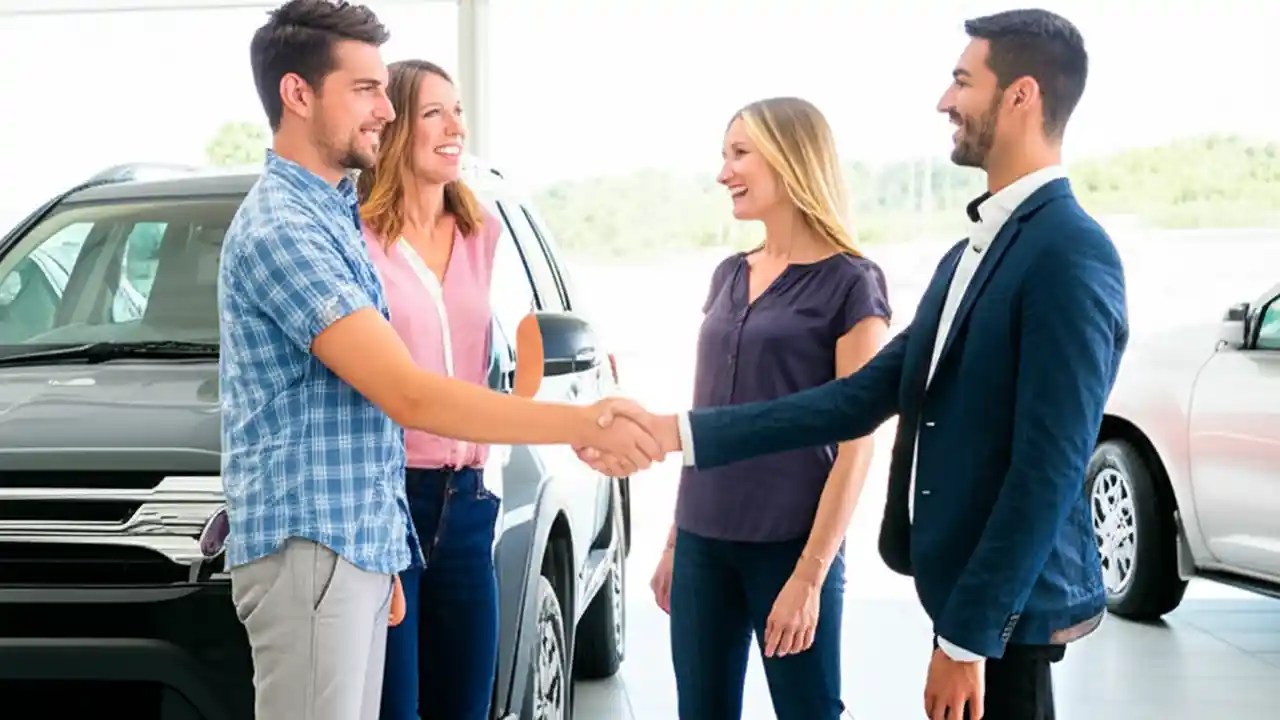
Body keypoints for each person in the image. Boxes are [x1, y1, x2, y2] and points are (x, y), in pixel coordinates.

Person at [588, 9, 1125, 720]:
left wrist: (966, 642)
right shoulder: (972, 253)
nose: (944, 101)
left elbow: (1049, 470)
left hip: (1006, 617)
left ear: (1020, 96)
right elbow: (853, 400)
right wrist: (675, 432)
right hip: (968, 594)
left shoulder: (1069, 252)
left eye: (962, 81)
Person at [217, 3, 659, 719]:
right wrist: (580, 425)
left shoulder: (328, 215)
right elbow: (408, 396)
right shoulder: (284, 229)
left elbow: (361, 417)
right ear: (298, 94)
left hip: (354, 542)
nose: (384, 112)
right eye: (366, 90)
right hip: (313, 548)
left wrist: (381, 545)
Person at [646, 97, 889, 720]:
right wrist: (675, 537)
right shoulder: (729, 273)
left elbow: (858, 444)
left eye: (739, 153)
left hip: (790, 546)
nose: (724, 172)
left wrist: (810, 576)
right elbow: (704, 415)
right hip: (703, 540)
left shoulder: (851, 282)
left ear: (791, 159)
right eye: (724, 155)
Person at [354, 58, 502, 720]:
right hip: (389, 500)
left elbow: (497, 352)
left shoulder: (481, 232)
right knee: (396, 711)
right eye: (433, 113)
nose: (454, 128)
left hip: (466, 503)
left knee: (466, 706)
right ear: (392, 130)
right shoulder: (357, 240)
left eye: (459, 111)